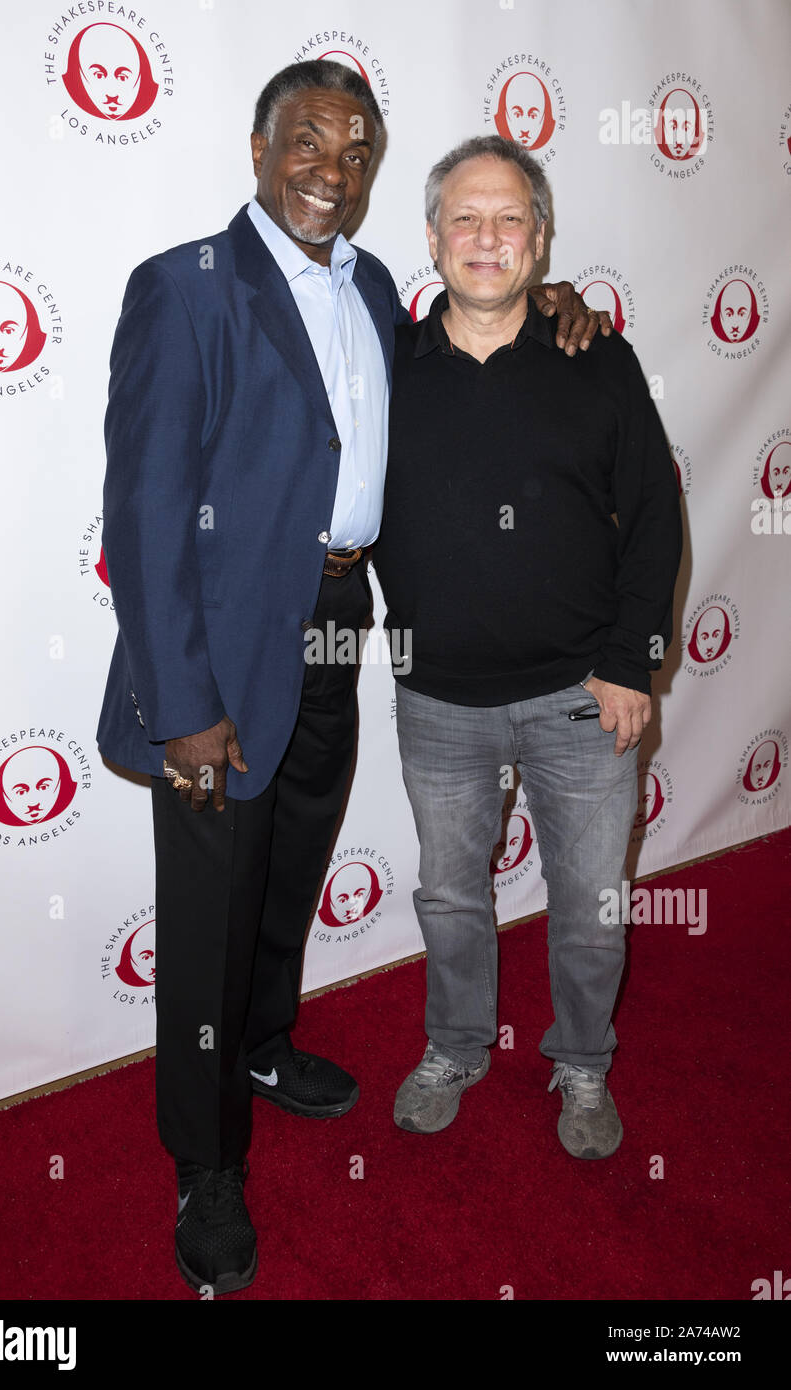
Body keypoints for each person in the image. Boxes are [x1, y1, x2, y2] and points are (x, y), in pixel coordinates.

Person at [96, 64, 606, 1295]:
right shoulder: (184, 288)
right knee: (211, 906)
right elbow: (147, 509)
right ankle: (204, 1161)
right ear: (259, 146)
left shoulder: (378, 285)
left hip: (339, 612)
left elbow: (462, 358)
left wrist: (558, 308)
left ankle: (263, 1042)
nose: (332, 168)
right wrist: (184, 703)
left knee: (295, 851)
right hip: (220, 647)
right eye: (307, 142)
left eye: (356, 149)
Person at [372, 134, 682, 1161]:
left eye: (509, 219)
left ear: (540, 239)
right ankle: (454, 1046)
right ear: (430, 236)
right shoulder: (385, 367)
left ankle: (581, 1060)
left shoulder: (595, 358)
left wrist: (631, 661)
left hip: (579, 698)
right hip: (437, 701)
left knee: (591, 912)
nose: (486, 237)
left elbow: (649, 515)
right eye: (465, 217)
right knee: (450, 896)